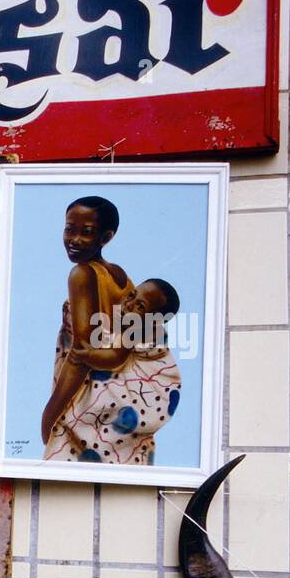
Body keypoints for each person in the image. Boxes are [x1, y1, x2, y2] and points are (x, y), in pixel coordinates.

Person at [40, 198, 181, 465]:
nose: (75, 239)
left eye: (87, 232)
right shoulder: (120, 276)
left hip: (83, 396)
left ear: (106, 236)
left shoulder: (82, 274)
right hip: (110, 403)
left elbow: (80, 355)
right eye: (70, 228)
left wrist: (51, 411)